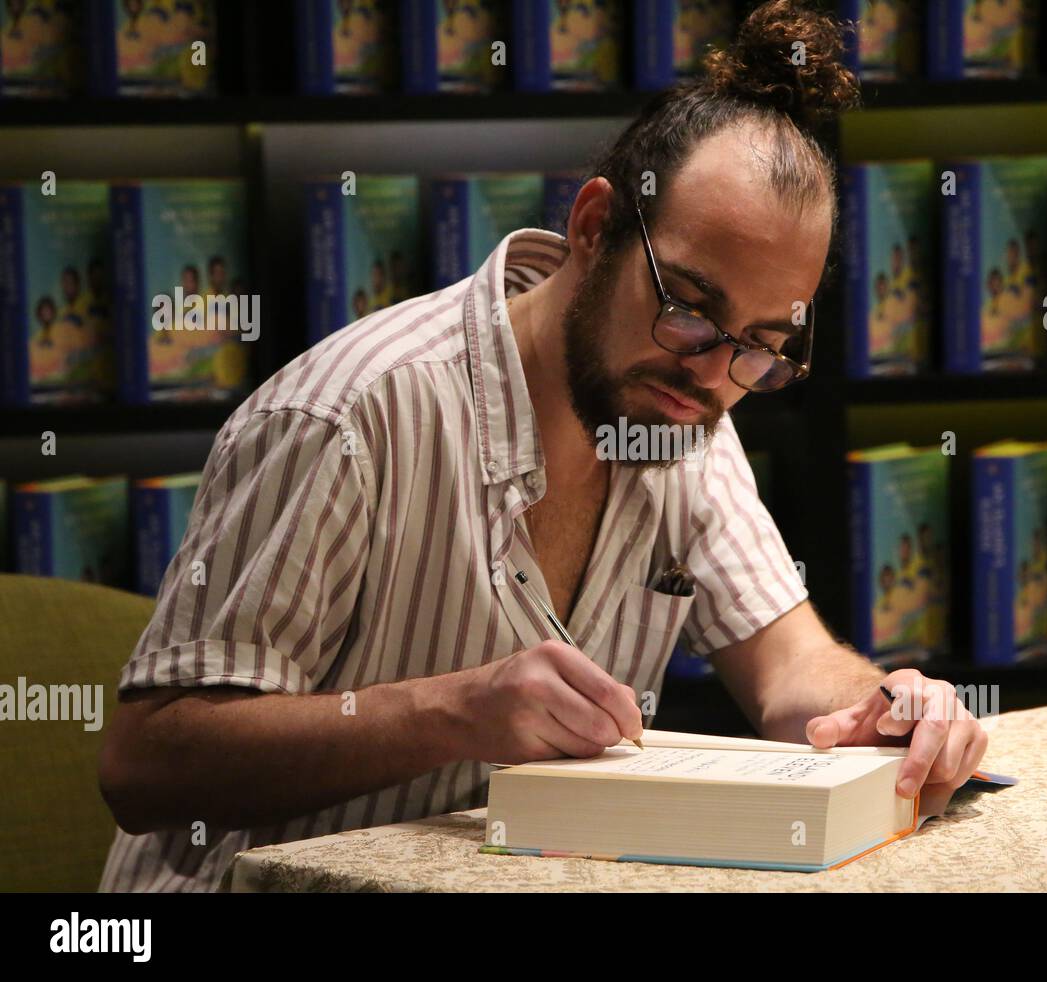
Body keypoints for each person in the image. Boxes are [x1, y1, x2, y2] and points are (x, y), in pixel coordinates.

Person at [97, 1, 988, 892]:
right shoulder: (349, 419)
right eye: (687, 306)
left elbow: (791, 666)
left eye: (761, 343)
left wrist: (884, 715)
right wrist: (453, 712)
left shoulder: (684, 408)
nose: (716, 374)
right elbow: (146, 764)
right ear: (596, 227)